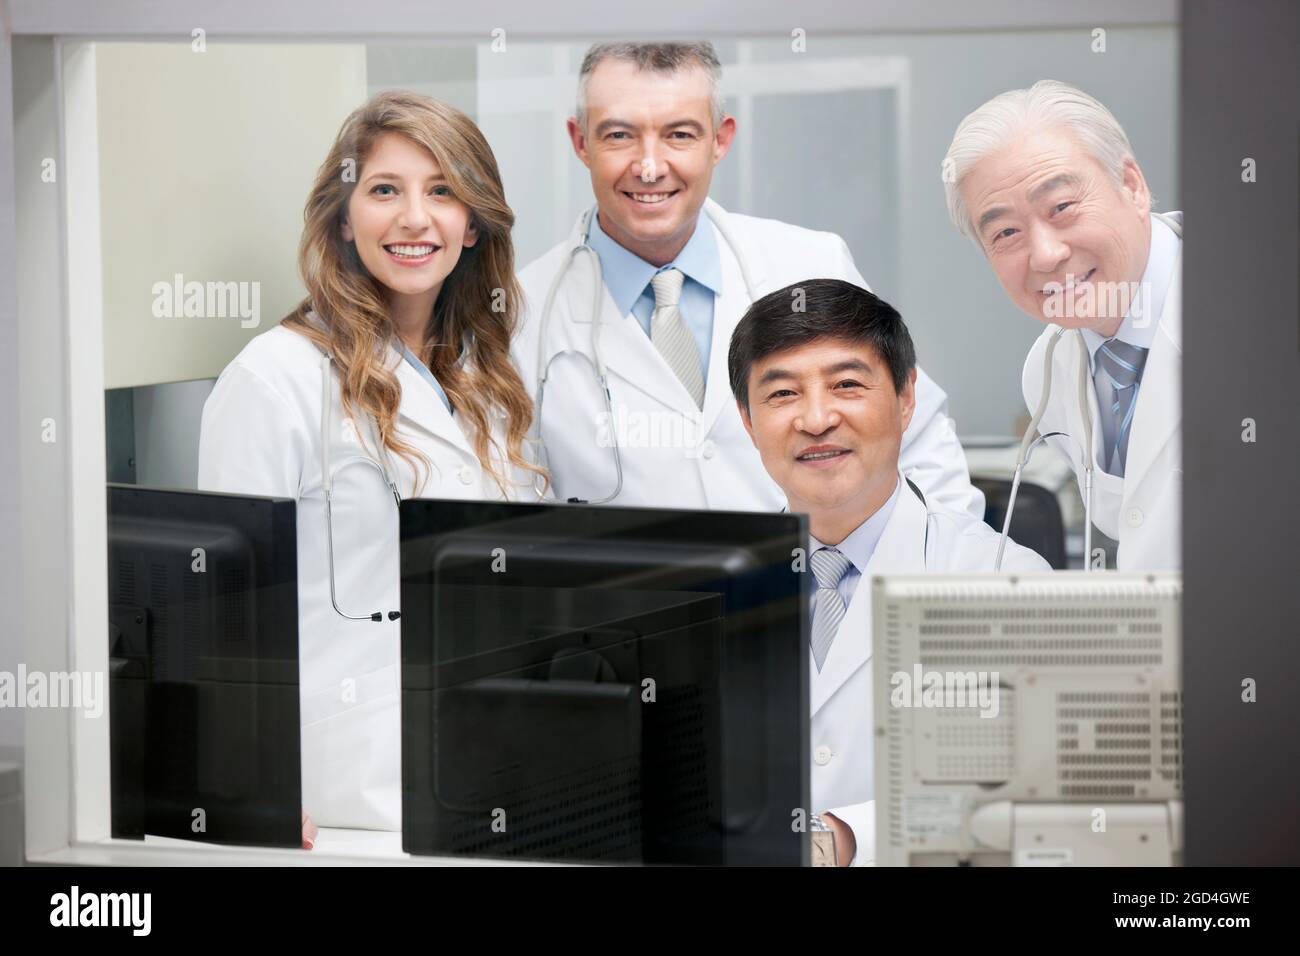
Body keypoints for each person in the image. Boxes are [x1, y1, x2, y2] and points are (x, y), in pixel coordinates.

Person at [198, 91, 543, 844]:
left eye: (442, 191)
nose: (414, 218)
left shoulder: (491, 381)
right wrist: (246, 784)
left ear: (474, 223)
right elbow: (221, 616)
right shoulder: (274, 379)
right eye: (384, 190)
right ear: (342, 218)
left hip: (498, 780)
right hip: (346, 803)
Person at [514, 41, 984, 518]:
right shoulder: (521, 312)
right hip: (628, 592)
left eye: (679, 134)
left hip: (816, 587)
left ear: (720, 139)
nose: (650, 167)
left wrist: (920, 577)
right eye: (618, 135)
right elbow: (510, 504)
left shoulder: (810, 263)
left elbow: (919, 441)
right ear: (580, 142)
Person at [728, 278, 1049, 865]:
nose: (817, 419)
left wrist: (846, 838)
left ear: (906, 400)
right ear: (748, 423)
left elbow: (1033, 793)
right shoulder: (709, 589)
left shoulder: (1003, 581)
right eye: (782, 395)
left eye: (847, 385)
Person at [943, 79, 1182, 570]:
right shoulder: (1048, 370)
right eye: (1006, 232)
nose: (1047, 254)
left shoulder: (1265, 307)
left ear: (1132, 186)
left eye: (1062, 207)